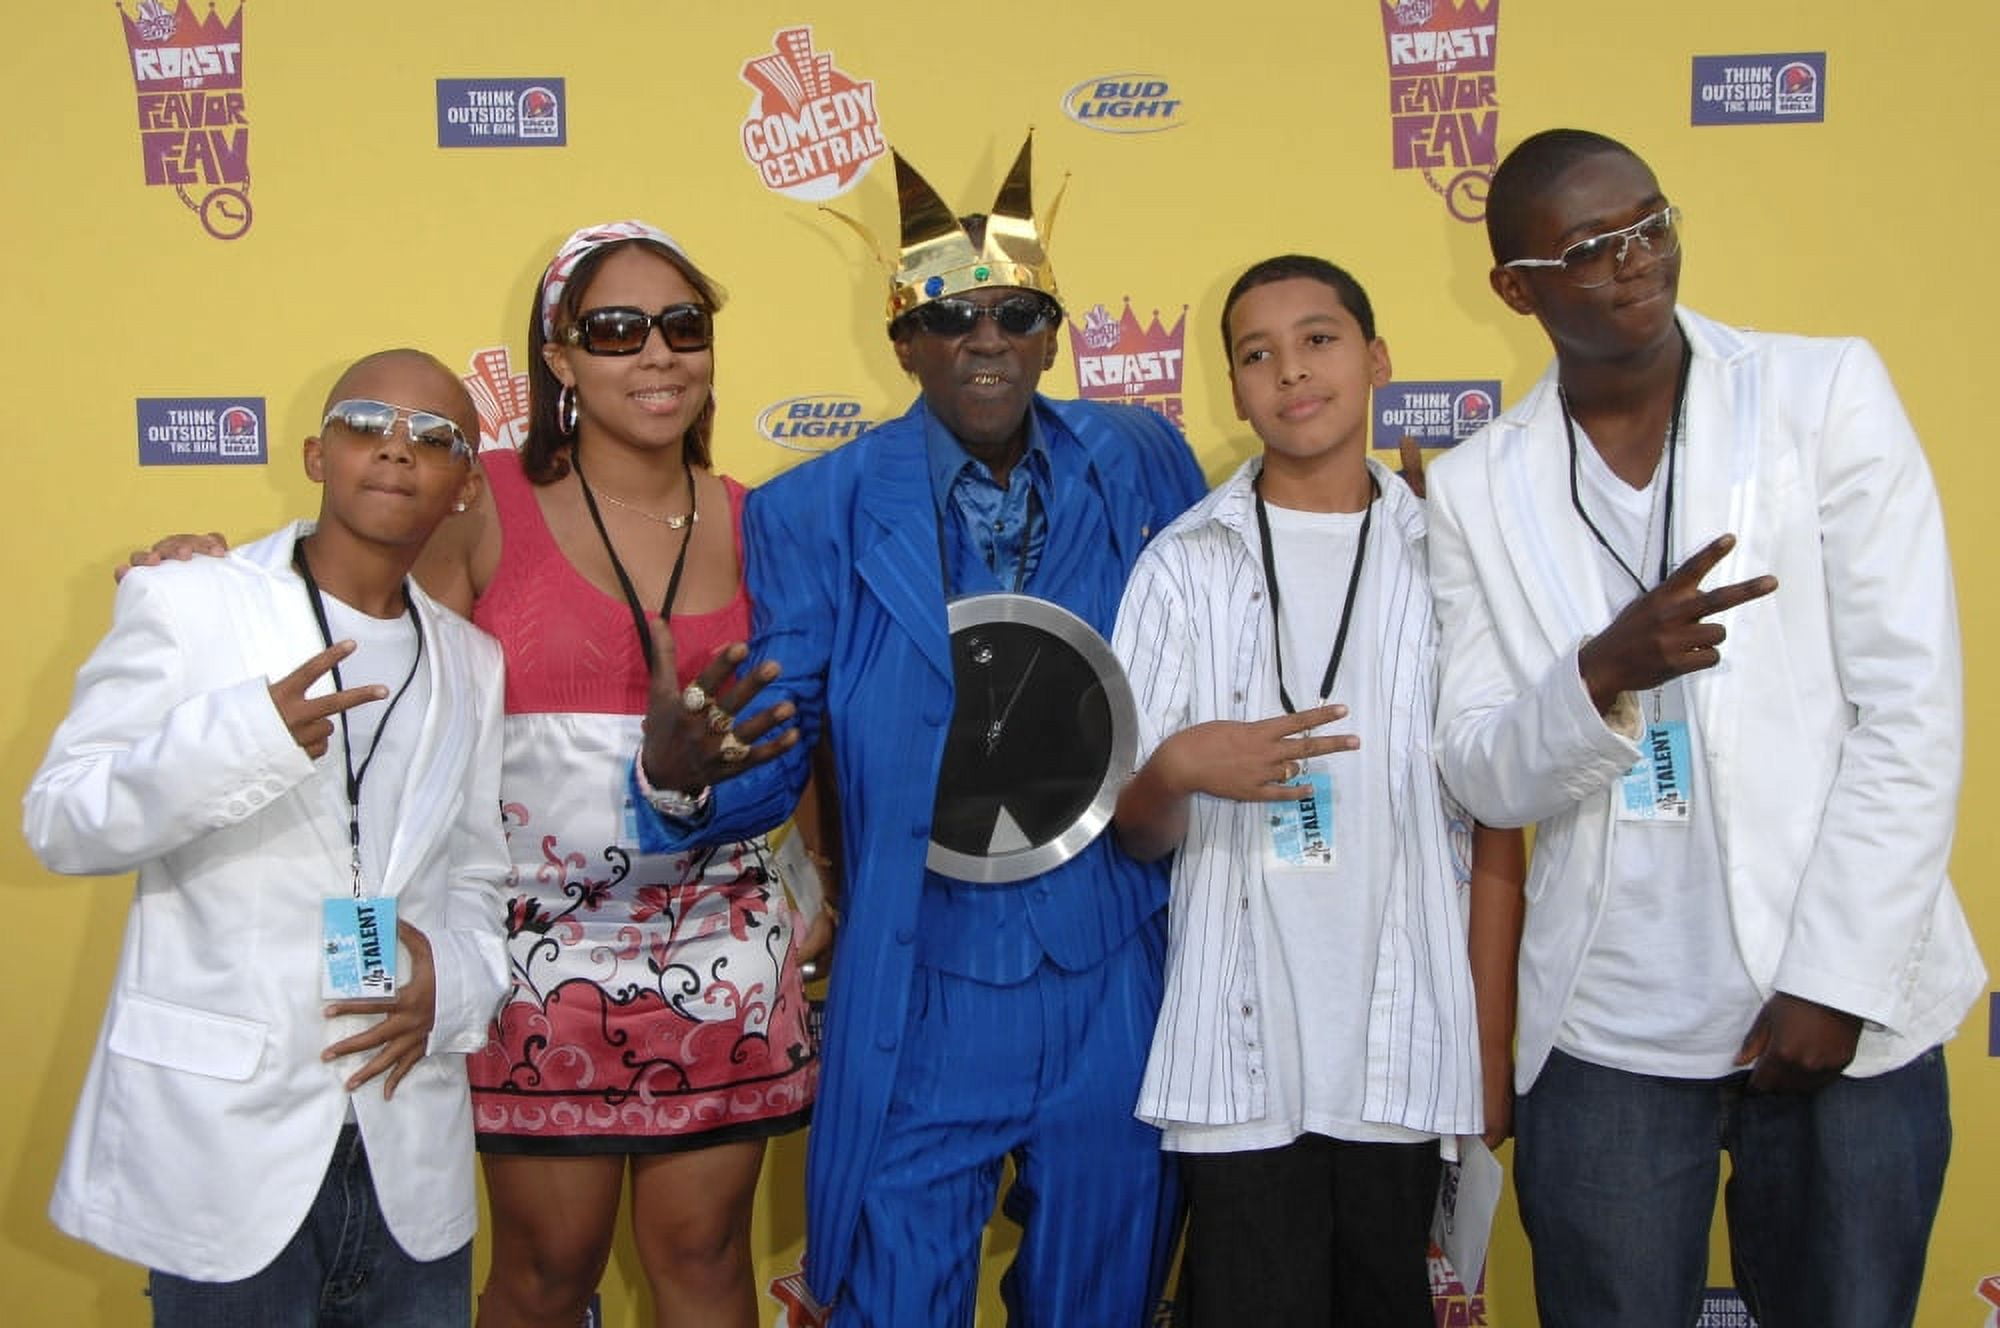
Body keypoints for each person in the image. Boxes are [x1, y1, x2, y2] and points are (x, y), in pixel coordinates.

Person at [126, 222, 828, 1328]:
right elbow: (351, 633)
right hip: (529, 950)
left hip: (722, 941)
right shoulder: (478, 497)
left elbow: (800, 720)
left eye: (682, 325)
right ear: (559, 357)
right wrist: (204, 583)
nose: (656, 353)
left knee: (704, 1259)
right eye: (616, 329)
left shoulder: (763, 517)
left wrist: (821, 881)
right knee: (547, 1269)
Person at [631, 135, 1207, 1325]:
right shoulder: (814, 507)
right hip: (924, 962)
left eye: (1014, 313)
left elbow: (1222, 625)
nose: (983, 339)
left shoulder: (1141, 457)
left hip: (1112, 949)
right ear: (902, 341)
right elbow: (780, 732)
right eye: (948, 317)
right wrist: (687, 781)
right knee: (894, 1293)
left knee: (1104, 1293)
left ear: (1051, 334)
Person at [1424, 127, 1986, 1328]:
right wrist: (1597, 672)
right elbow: (1479, 766)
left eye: (1651, 224)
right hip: (1612, 1027)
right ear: (1514, 289)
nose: (1635, 260)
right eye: (1590, 248)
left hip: (1842, 1004)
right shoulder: (1474, 485)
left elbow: (1908, 707)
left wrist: (1834, 979)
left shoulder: (1817, 394)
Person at [25, 350, 509, 1325]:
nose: (396, 449)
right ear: (316, 454)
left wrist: (455, 982)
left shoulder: (472, 659)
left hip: (407, 1142)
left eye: (434, 437)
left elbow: (477, 869)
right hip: (223, 1146)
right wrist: (246, 738)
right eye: (366, 422)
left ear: (465, 485)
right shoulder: (191, 600)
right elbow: (61, 820)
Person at [1110, 255, 1525, 1324]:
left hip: (1404, 1046)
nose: (1291, 370)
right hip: (1236, 1054)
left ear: (1376, 358)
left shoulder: (1449, 559)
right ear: (1233, 389)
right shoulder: (1182, 565)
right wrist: (1177, 767)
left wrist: (1487, 1042)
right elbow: (1132, 829)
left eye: (1318, 339)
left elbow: (1496, 813)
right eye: (1258, 354)